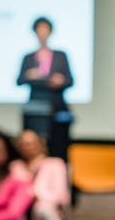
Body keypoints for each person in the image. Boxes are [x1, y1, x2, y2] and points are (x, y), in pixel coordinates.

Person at [16, 17, 74, 160]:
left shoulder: (60, 56)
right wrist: (29, 75)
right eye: (39, 30)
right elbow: (19, 80)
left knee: (58, 148)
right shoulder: (28, 57)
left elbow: (70, 80)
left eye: (45, 29)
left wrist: (60, 81)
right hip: (36, 107)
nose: (42, 33)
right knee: (34, 148)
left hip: (56, 107)